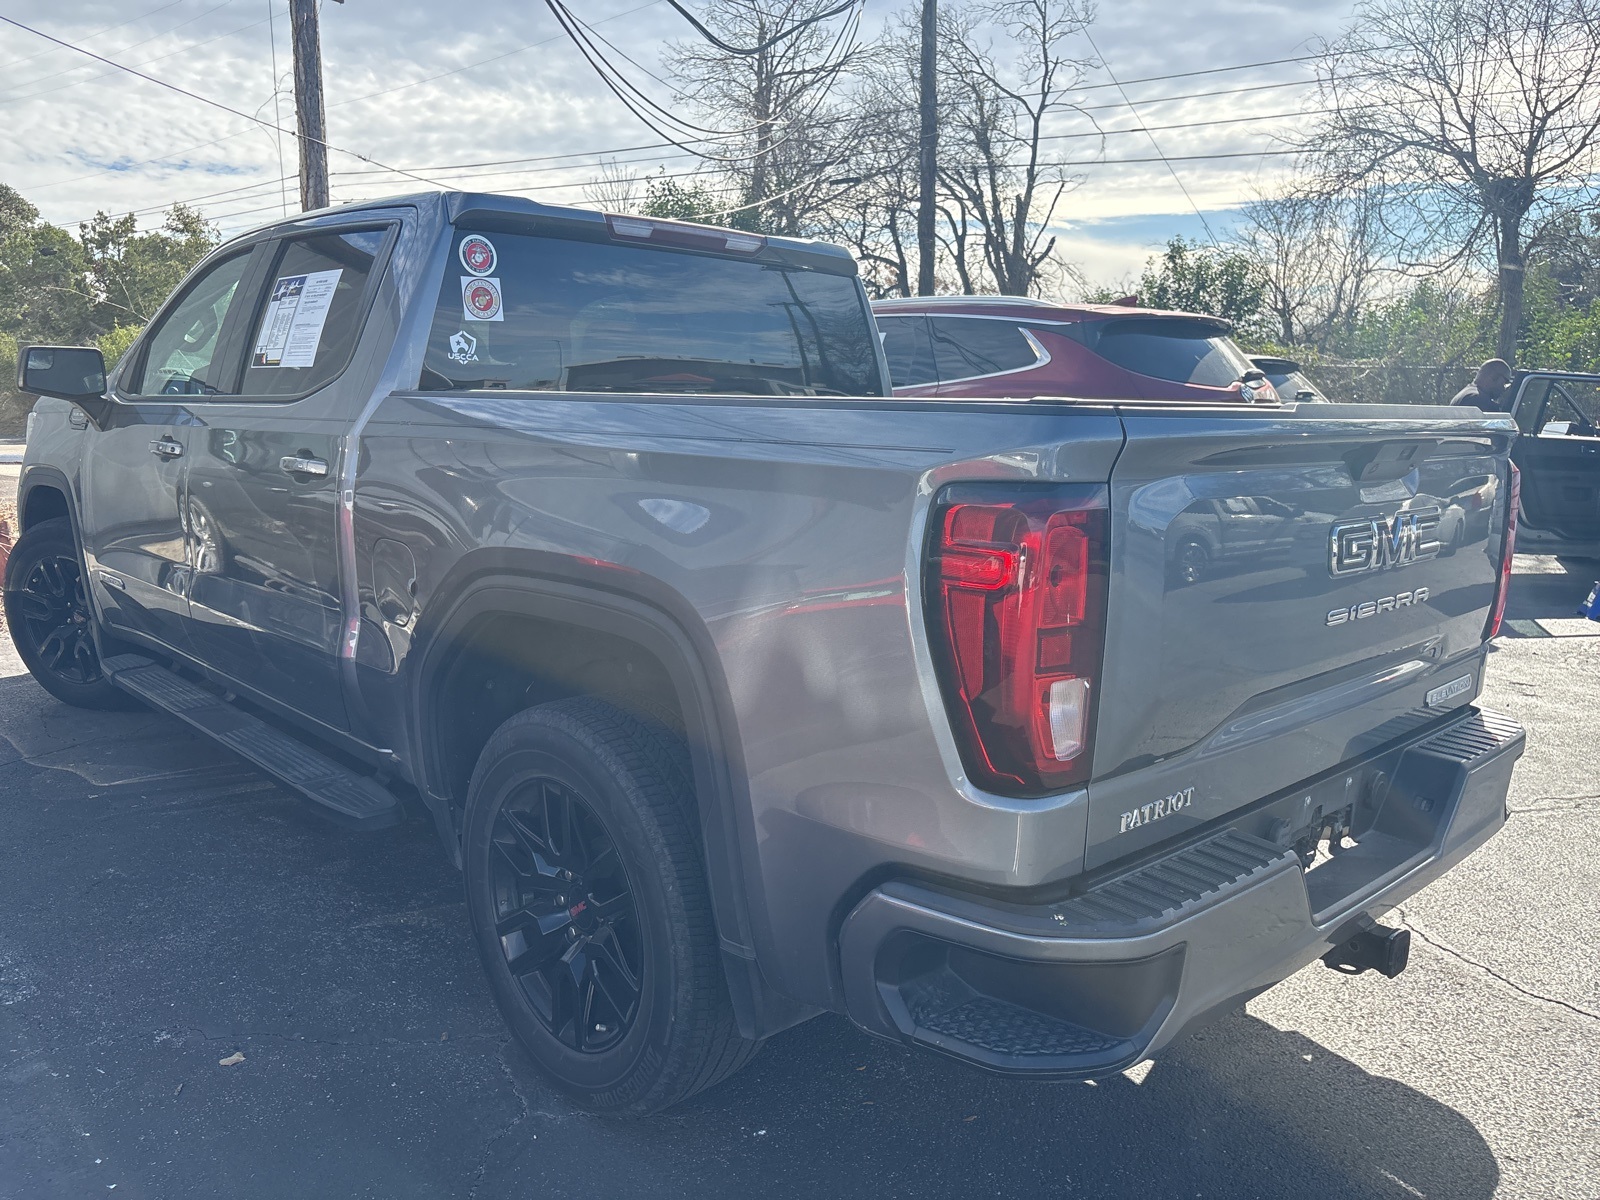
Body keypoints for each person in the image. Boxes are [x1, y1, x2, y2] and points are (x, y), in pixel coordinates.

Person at [1450, 359, 1515, 411]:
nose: (1503, 388)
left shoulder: (1465, 394)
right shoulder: (1478, 400)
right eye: (1504, 382)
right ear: (1493, 377)